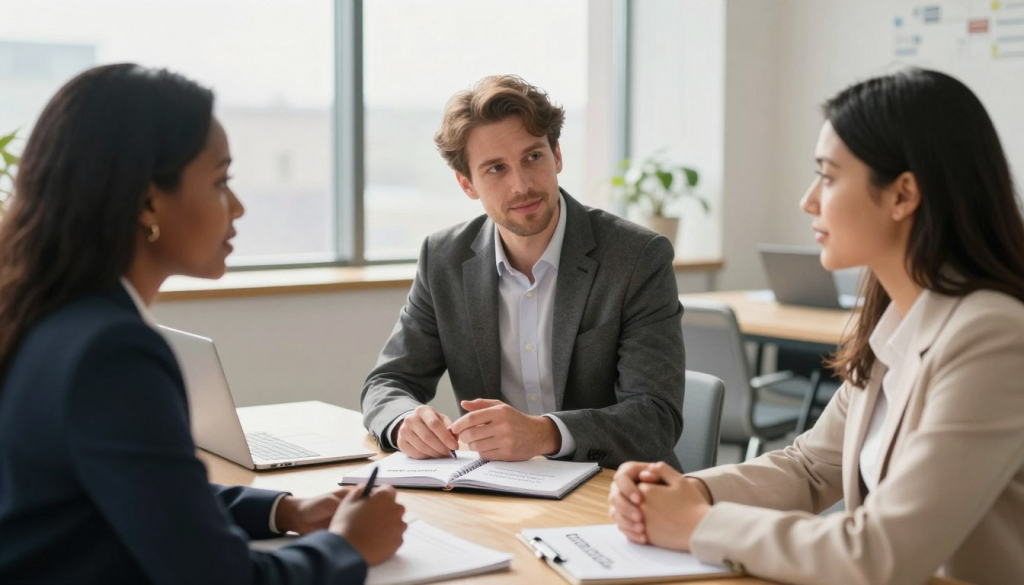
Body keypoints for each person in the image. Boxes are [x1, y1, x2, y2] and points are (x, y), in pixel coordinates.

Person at [609, 68, 1024, 585]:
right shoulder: (895, 322)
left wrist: (698, 524)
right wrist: (693, 492)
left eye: (827, 176)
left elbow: (878, 555)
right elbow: (811, 467)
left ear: (903, 195)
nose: (809, 200)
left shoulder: (993, 337)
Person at [0, 64, 406, 584]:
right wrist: (347, 546)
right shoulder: (113, 351)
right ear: (148, 200)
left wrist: (283, 510)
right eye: (220, 180)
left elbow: (143, 488)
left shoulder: (49, 317)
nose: (237, 207)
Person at [361, 75, 685, 469]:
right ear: (467, 184)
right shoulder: (442, 259)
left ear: (557, 156)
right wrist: (403, 422)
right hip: (502, 489)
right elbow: (387, 383)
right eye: (496, 169)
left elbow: (655, 418)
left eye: (533, 157)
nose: (522, 186)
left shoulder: (636, 257)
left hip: (616, 486)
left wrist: (544, 433)